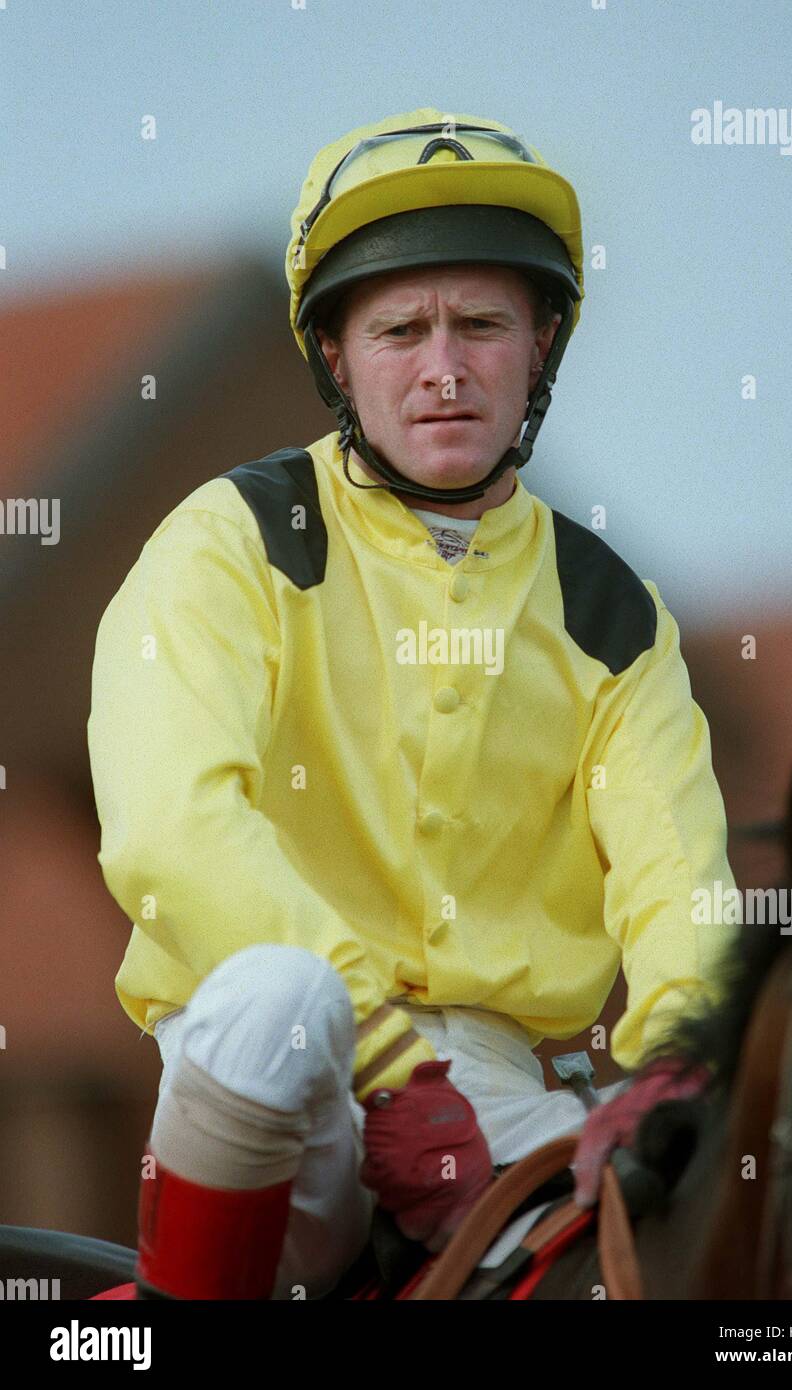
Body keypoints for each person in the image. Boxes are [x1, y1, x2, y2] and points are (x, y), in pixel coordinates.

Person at [86, 107, 738, 1300]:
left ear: (541, 342)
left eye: (482, 324)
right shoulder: (227, 544)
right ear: (334, 354)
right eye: (400, 329)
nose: (444, 367)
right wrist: (387, 1068)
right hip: (271, 1064)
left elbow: (682, 886)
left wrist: (674, 1073)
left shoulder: (617, 613)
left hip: (500, 1086)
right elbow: (169, 830)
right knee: (281, 1000)